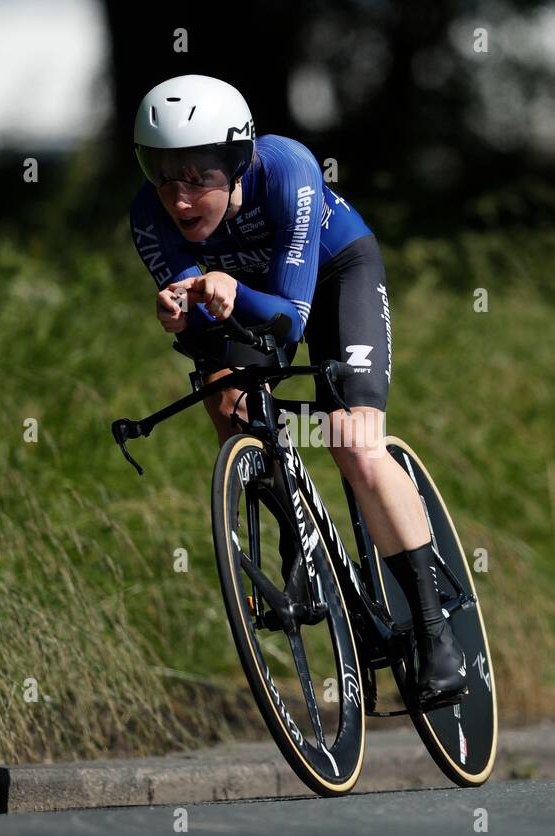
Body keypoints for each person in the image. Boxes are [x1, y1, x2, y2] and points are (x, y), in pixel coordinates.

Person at [127, 74, 465, 707]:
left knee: (356, 440)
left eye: (198, 177)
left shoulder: (288, 170)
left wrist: (227, 289)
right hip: (247, 295)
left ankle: (432, 626)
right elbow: (206, 330)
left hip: (332, 275)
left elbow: (288, 322)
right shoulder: (147, 215)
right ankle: (296, 535)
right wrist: (182, 313)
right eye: (163, 176)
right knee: (226, 396)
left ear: (236, 163)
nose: (179, 198)